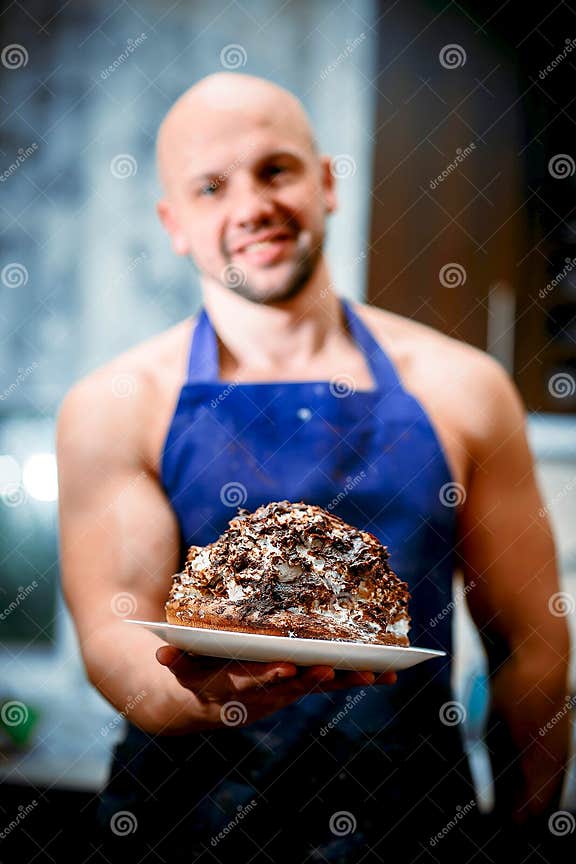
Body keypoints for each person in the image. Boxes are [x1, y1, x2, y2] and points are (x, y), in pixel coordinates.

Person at [56, 73, 571, 863]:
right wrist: (206, 696)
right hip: (185, 830)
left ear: (326, 182)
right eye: (210, 186)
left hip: (410, 827)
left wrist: (527, 836)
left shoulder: (464, 388)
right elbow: (115, 639)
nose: (251, 205)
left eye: (275, 170)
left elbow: (532, 646)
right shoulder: (116, 404)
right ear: (174, 223)